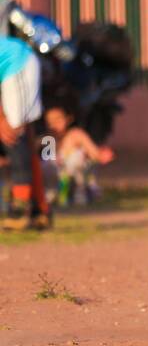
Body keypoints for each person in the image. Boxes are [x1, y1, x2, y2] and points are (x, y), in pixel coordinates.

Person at [0, 32, 47, 230]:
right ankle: (39, 209)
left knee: (13, 134)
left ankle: (21, 211)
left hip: (16, 64)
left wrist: (1, 118)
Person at [43, 98, 115, 206]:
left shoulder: (76, 135)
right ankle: (52, 192)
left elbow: (93, 152)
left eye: (58, 120)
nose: (54, 124)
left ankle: (81, 191)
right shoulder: (49, 140)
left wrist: (100, 155)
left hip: (78, 177)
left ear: (68, 119)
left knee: (76, 158)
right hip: (59, 180)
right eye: (50, 121)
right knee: (46, 163)